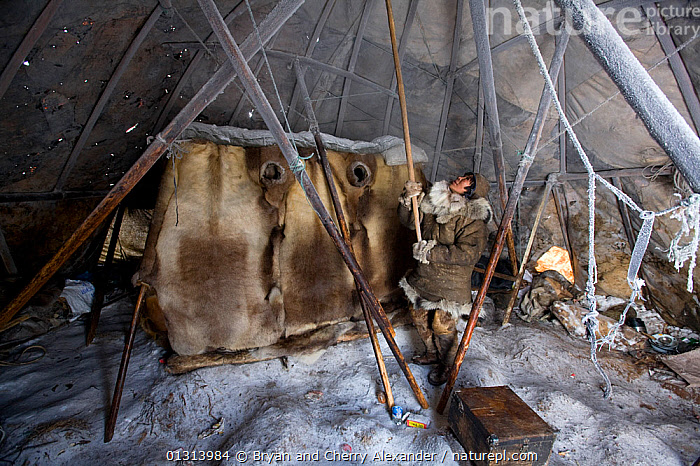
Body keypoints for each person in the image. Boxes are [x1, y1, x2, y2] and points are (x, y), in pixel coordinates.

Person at [397, 172, 492, 385]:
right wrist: (409, 200)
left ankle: (448, 365)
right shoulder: (435, 201)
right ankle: (431, 352)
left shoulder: (472, 220)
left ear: (472, 191)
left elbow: (468, 254)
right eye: (464, 175)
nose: (460, 177)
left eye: (468, 179)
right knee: (419, 318)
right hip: (424, 278)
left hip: (451, 285)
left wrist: (431, 252)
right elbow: (411, 223)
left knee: (443, 327)